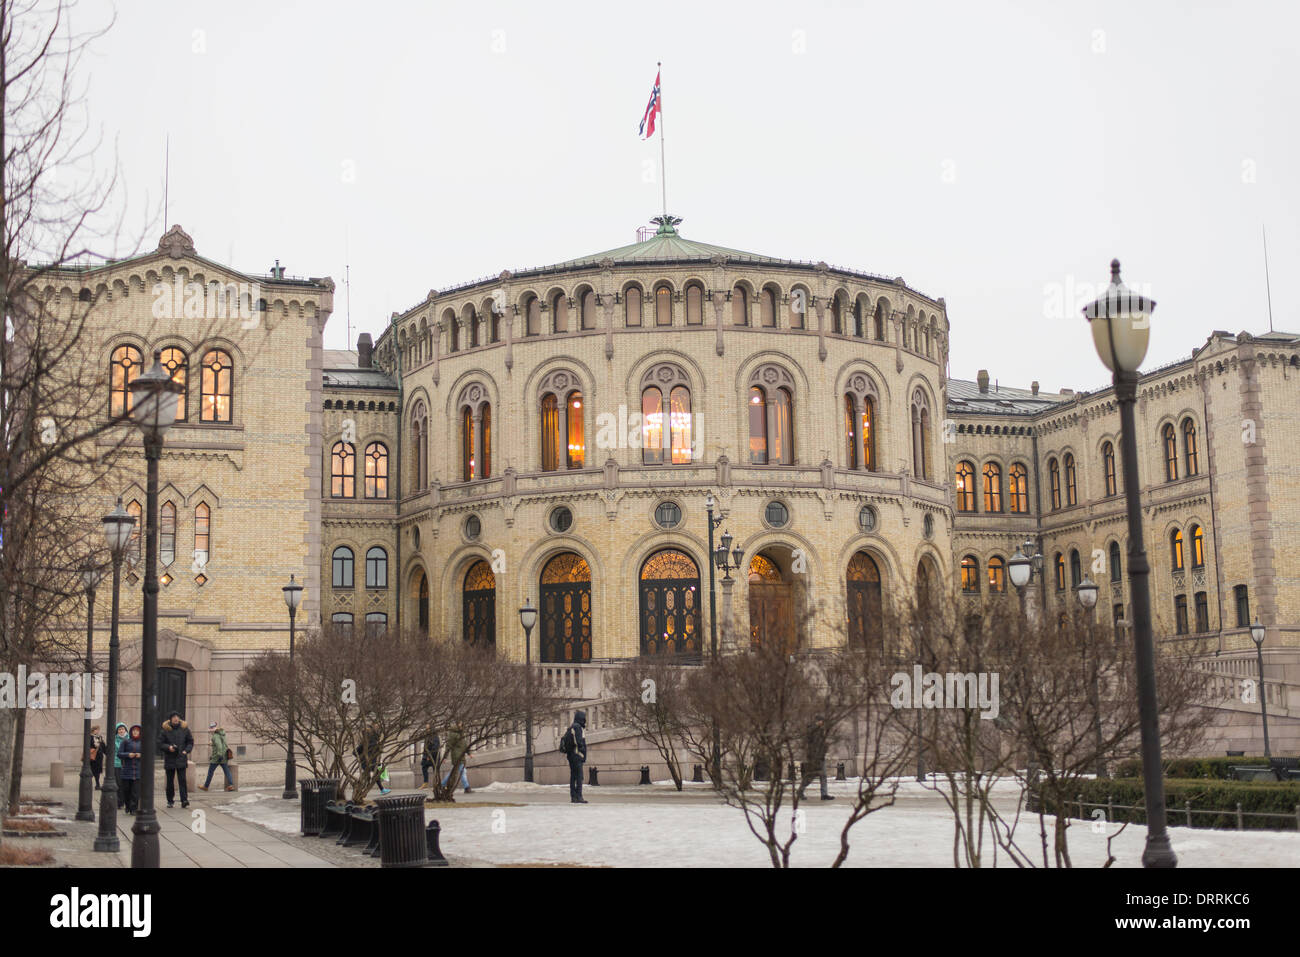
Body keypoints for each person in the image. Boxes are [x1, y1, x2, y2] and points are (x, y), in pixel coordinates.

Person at [159, 710, 194, 808]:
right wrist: (168, 747)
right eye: (174, 717)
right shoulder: (165, 730)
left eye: (177, 716)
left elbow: (190, 742)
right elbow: (160, 743)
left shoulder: (185, 729)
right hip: (170, 758)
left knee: (182, 780)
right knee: (170, 782)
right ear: (170, 719)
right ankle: (170, 800)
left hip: (181, 758)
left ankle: (184, 800)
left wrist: (186, 751)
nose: (176, 718)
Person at [800, 714, 834, 801]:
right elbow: (811, 742)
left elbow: (821, 744)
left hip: (820, 756)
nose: (822, 723)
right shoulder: (812, 730)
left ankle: (824, 794)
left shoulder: (820, 730)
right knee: (811, 775)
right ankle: (800, 791)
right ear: (817, 721)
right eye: (820, 721)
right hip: (814, 757)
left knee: (823, 775)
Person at [561, 710, 588, 803]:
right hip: (577, 755)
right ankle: (579, 796)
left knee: (573, 776)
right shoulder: (577, 727)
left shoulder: (572, 727)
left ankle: (574, 797)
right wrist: (582, 752)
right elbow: (579, 742)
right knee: (579, 776)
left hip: (571, 755)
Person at [198, 721, 234, 792]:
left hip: (217, 757)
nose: (210, 732)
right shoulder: (222, 734)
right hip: (224, 756)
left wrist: (219, 755)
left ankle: (206, 786)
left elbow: (219, 746)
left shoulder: (215, 736)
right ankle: (231, 785)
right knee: (227, 771)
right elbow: (222, 744)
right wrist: (212, 744)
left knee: (210, 772)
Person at [354, 723, 389, 795]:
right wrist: (361, 758)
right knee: (373, 776)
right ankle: (381, 789)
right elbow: (355, 752)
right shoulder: (370, 742)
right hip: (369, 763)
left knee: (371, 776)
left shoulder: (368, 742)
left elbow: (355, 752)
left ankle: (363, 790)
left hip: (368, 763)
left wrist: (360, 758)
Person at [118, 724, 143, 814]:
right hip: (127, 770)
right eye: (133, 730)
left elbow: (149, 755)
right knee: (126, 790)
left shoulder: (143, 743)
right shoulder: (126, 742)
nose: (135, 732)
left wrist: (141, 755)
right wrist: (128, 754)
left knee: (135, 792)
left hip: (138, 771)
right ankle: (128, 806)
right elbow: (119, 754)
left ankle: (134, 808)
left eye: (137, 730)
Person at [442, 725, 471, 793]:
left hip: (460, 756)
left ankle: (442, 784)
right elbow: (448, 746)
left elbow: (464, 745)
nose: (462, 725)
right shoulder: (454, 735)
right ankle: (467, 787)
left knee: (453, 773)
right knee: (462, 772)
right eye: (460, 724)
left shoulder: (460, 734)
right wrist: (445, 757)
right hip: (457, 757)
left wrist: (469, 753)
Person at [112, 723, 128, 808]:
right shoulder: (114, 740)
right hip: (117, 763)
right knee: (118, 783)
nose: (121, 731)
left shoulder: (129, 739)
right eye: (119, 729)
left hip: (127, 764)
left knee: (126, 784)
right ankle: (119, 801)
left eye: (123, 729)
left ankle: (126, 800)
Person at [89, 725, 106, 790]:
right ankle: (89, 784)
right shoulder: (90, 737)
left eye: (98, 729)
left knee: (98, 771)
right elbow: (89, 746)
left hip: (99, 757)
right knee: (92, 771)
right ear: (93, 730)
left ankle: (97, 784)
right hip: (92, 757)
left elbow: (103, 747)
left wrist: (107, 753)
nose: (97, 731)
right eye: (96, 729)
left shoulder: (100, 737)